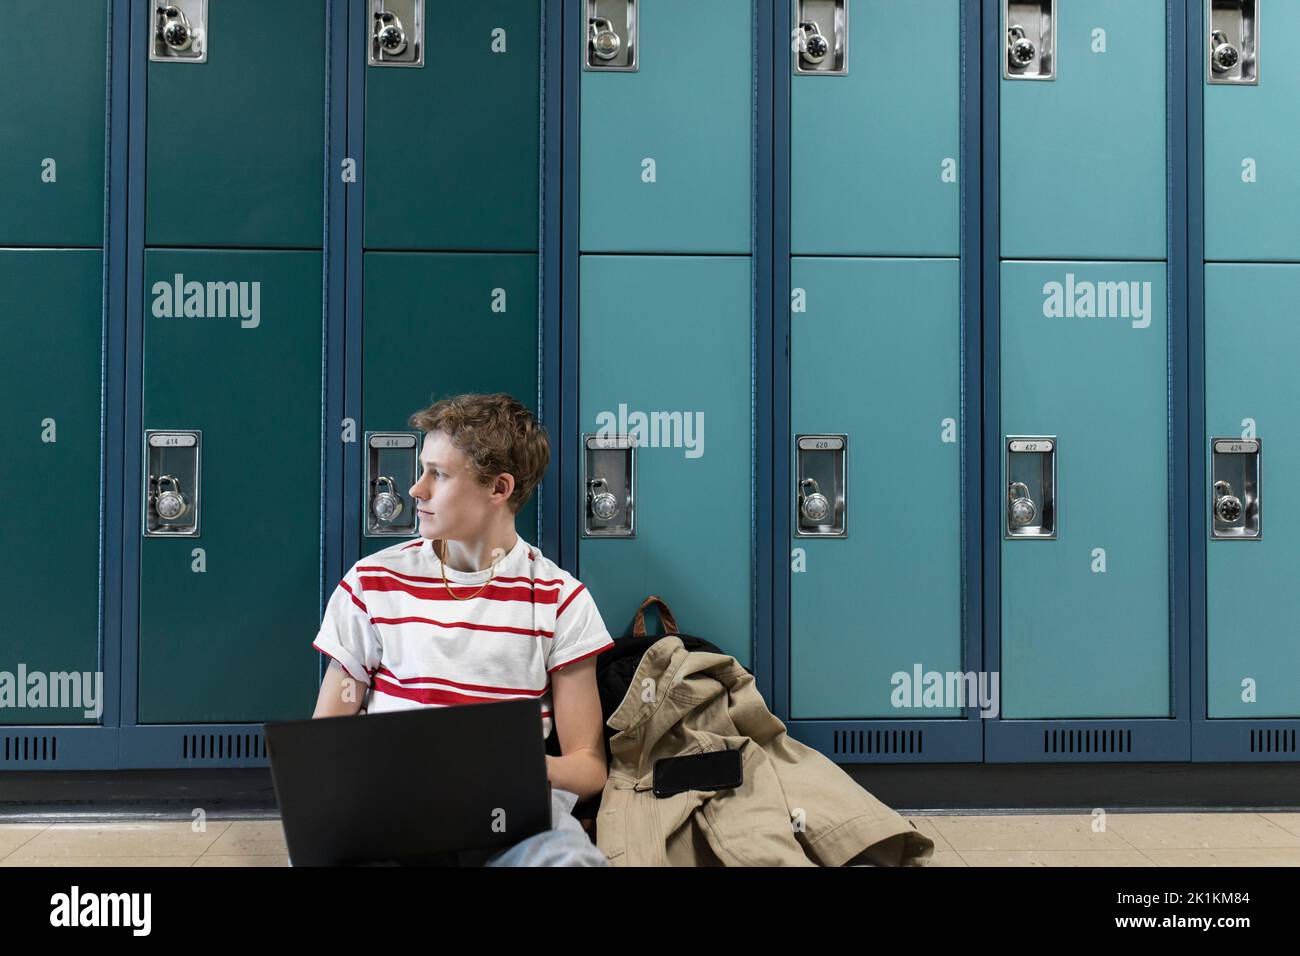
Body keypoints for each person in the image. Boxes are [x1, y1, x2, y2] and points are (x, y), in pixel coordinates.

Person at [309, 392, 613, 866]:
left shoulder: (561, 600)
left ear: (499, 488)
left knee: (571, 861)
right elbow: (322, 744)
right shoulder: (372, 583)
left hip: (511, 822)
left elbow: (589, 766)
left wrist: (521, 770)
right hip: (394, 812)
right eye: (422, 469)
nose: (416, 490)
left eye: (440, 474)